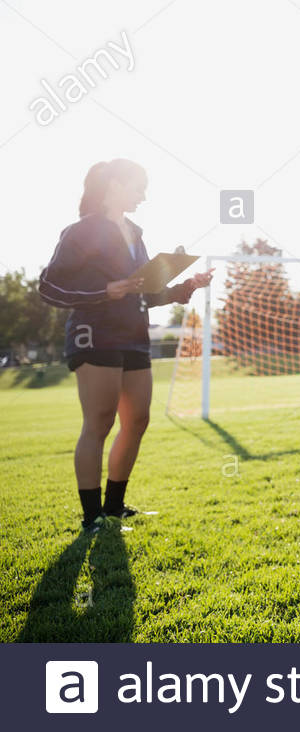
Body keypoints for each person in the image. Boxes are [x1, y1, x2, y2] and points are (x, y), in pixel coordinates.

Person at [38, 159, 213, 532]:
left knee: (137, 420)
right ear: (114, 184)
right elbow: (49, 287)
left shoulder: (135, 232)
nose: (143, 195)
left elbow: (145, 293)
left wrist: (184, 288)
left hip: (133, 335)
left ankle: (114, 508)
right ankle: (92, 517)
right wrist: (104, 292)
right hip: (94, 332)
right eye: (138, 186)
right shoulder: (80, 232)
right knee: (99, 422)